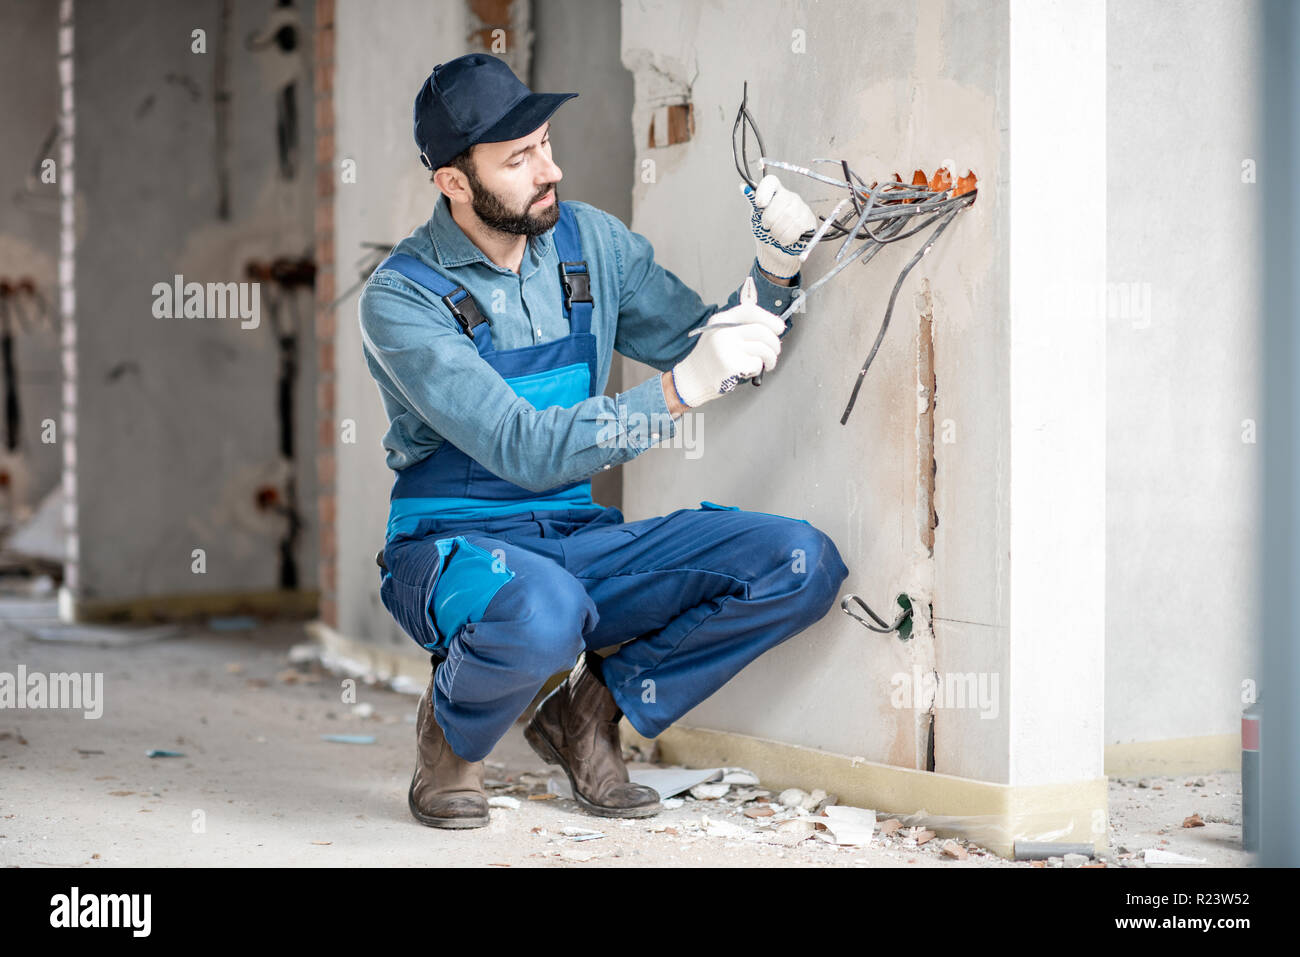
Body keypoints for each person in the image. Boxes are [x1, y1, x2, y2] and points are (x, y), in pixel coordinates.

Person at [358, 53, 849, 829]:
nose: (549, 169)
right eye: (518, 158)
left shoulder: (593, 244)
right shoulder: (401, 299)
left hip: (575, 540)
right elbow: (520, 444)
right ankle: (449, 743)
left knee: (799, 561)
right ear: (454, 181)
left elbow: (699, 339)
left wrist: (775, 269)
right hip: (453, 548)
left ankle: (586, 713)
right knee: (544, 612)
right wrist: (682, 386)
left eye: (546, 142)